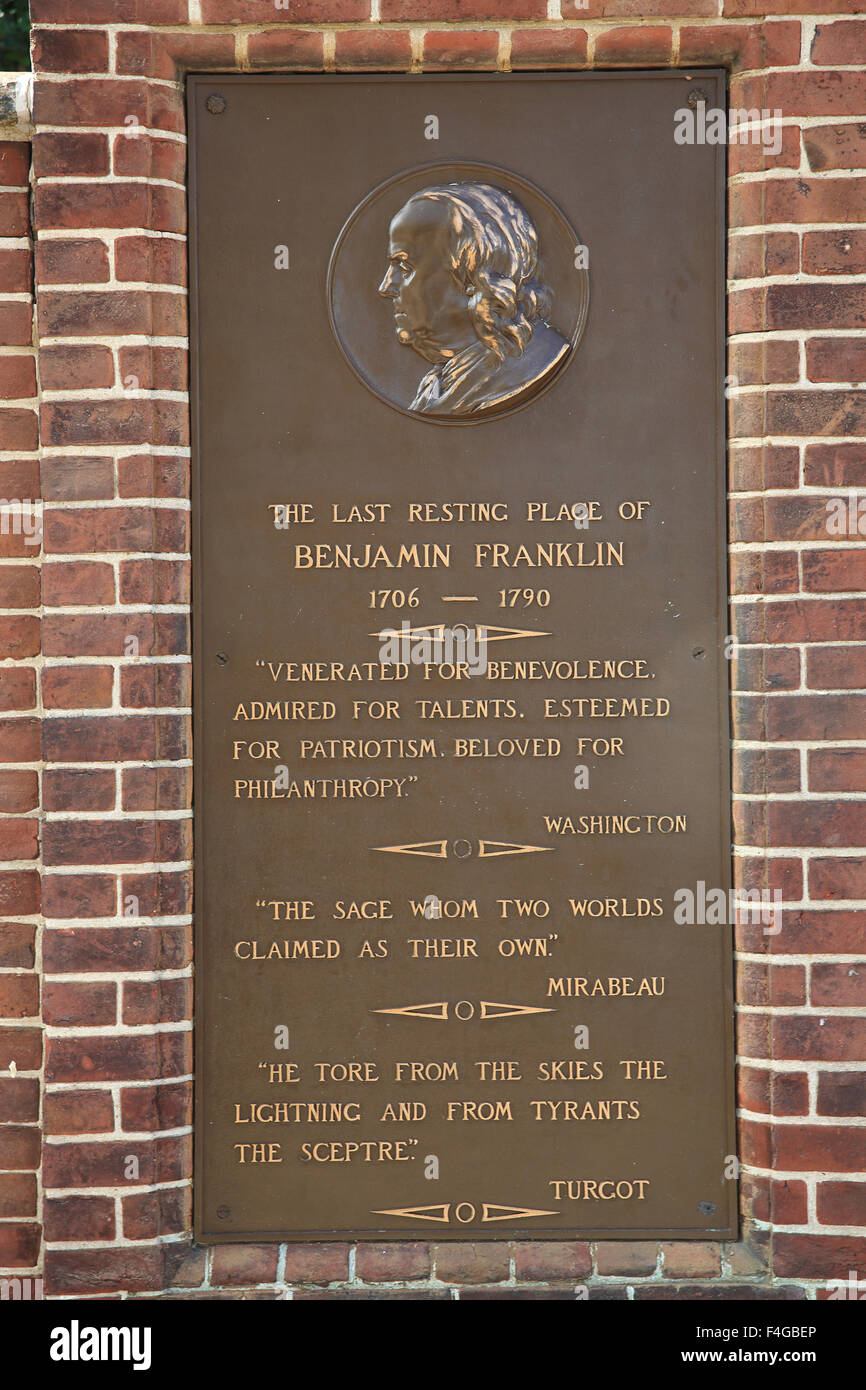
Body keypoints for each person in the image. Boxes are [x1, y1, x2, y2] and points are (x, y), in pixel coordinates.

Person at [378, 181, 569, 419]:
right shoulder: (436, 387)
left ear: (473, 273)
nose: (386, 287)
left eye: (404, 267)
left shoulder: (530, 364)